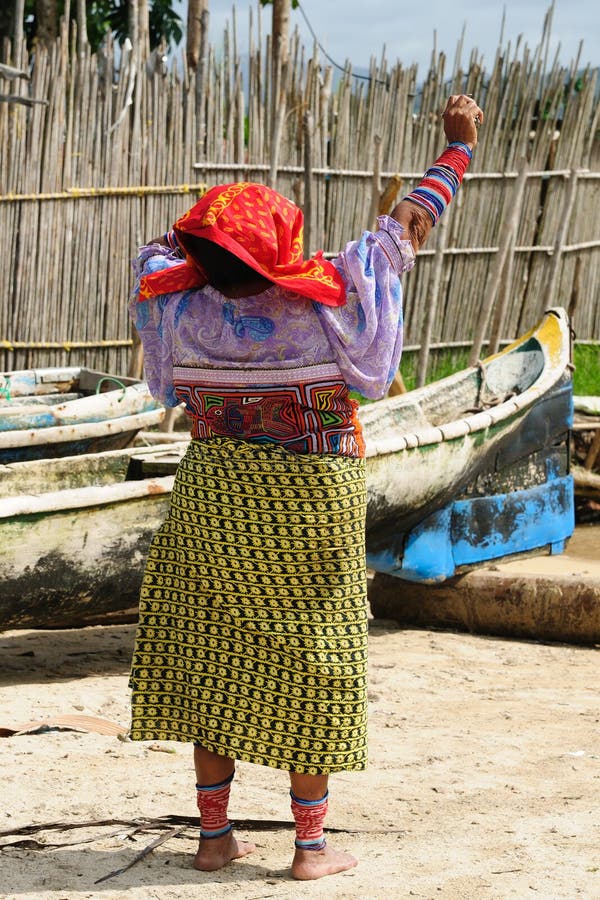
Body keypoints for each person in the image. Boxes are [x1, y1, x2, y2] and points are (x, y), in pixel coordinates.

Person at [128, 93, 484, 881]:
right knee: (313, 654)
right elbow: (410, 226)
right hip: (312, 498)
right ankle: (311, 852)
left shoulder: (178, 309)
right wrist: (455, 149)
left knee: (215, 650)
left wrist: (201, 248)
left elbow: (154, 254)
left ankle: (215, 838)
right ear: (280, 251)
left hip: (216, 495)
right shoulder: (333, 301)